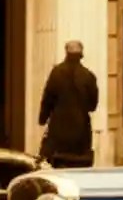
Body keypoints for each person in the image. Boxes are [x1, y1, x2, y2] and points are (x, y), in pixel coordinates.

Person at [37, 40, 99, 168]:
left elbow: (48, 99)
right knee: (79, 165)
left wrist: (42, 119)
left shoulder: (56, 73)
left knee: (54, 164)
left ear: (66, 54)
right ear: (81, 55)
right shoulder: (88, 76)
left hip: (58, 128)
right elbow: (93, 106)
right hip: (81, 130)